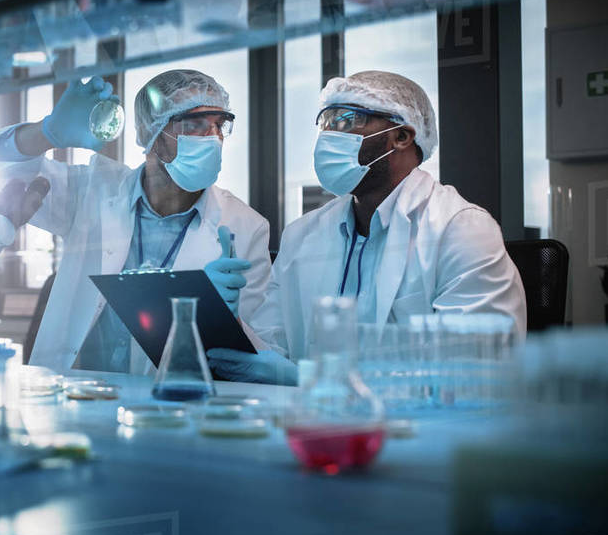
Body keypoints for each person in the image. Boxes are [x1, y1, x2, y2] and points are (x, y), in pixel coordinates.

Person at [211, 70, 528, 383]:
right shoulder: (302, 235)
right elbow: (269, 353)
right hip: (310, 414)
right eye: (326, 121)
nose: (329, 134)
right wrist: (231, 322)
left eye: (347, 119)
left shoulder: (461, 230)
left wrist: (302, 378)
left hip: (411, 419)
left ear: (401, 136)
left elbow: (472, 372)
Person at [0, 70, 273, 377]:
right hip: (75, 391)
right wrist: (47, 132)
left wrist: (228, 320)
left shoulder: (246, 227)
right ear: (150, 131)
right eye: (194, 124)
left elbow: (265, 356)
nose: (213, 139)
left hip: (170, 400)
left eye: (219, 125)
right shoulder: (92, 191)